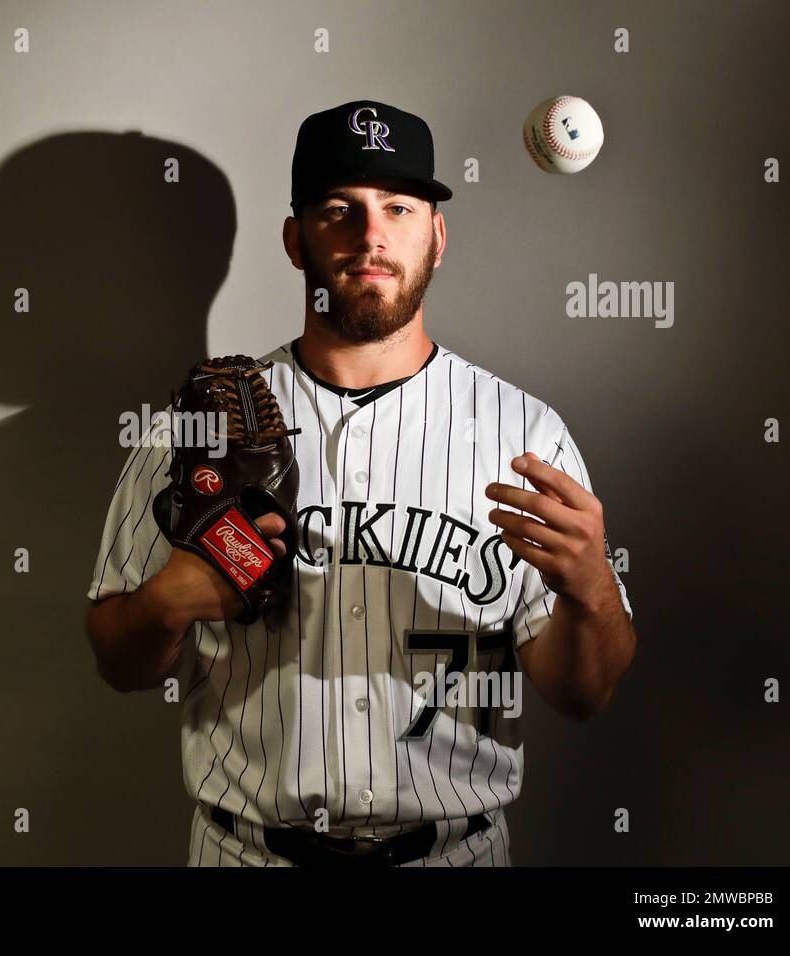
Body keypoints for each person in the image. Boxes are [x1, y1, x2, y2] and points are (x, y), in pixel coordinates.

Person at [85, 100, 636, 867]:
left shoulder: (524, 433)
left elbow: (584, 694)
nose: (370, 235)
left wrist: (590, 586)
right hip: (248, 853)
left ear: (436, 237)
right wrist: (163, 604)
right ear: (294, 239)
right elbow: (119, 662)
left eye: (399, 208)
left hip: (454, 855)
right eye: (338, 209)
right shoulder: (201, 427)